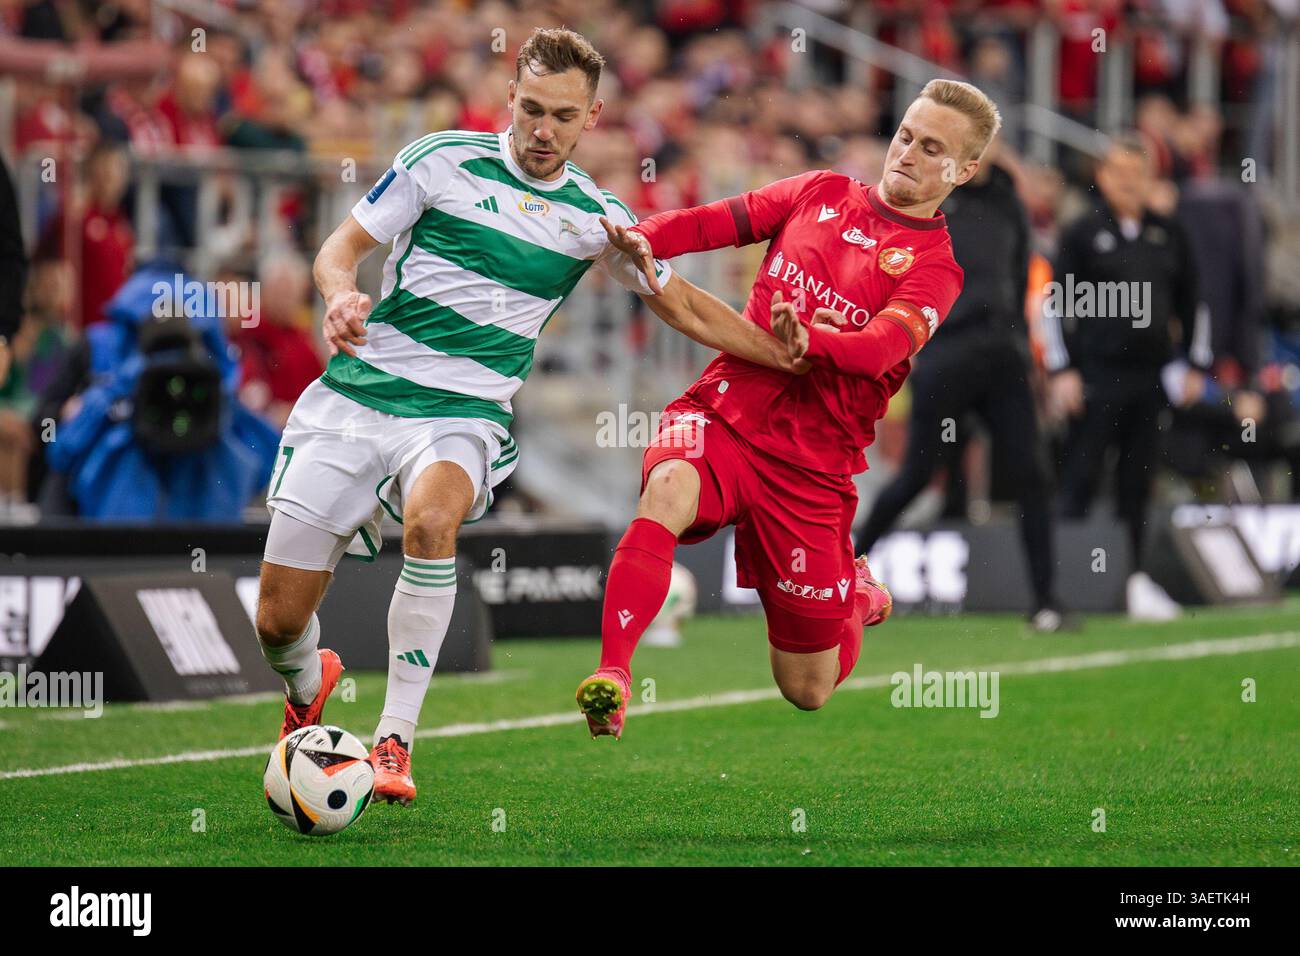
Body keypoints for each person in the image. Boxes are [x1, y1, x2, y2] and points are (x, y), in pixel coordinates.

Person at [254, 28, 803, 806]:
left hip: (465, 412)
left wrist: (779, 357)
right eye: (533, 109)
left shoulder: (595, 217)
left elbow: (679, 300)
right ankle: (309, 683)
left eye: (564, 116)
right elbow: (339, 249)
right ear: (510, 99)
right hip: (358, 396)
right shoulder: (439, 159)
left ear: (592, 118)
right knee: (277, 621)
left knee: (432, 523)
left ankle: (393, 740)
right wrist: (340, 294)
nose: (545, 130)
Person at [575, 79, 1000, 737]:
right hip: (727, 411)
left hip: (812, 468)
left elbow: (879, 348)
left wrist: (816, 341)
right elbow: (716, 220)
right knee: (667, 487)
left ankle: (855, 600)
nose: (907, 154)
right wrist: (644, 237)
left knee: (806, 688)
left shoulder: (936, 267)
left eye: (932, 148)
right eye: (905, 135)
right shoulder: (820, 193)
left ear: (964, 169)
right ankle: (613, 676)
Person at [854, 144, 1066, 632]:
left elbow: (1019, 280)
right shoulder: (931, 201)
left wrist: (1032, 356)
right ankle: (843, 573)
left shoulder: (1009, 200)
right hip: (947, 356)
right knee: (917, 476)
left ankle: (1046, 601)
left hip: (1004, 360)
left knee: (1032, 475)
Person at [1041, 134, 1203, 620]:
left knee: (1139, 481)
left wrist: (1191, 364)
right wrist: (1061, 369)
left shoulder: (1168, 232)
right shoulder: (1082, 233)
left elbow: (1193, 303)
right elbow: (1053, 306)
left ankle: (1130, 578)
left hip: (1150, 378)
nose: (1130, 183)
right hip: (1096, 375)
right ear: (1103, 176)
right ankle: (1055, 585)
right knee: (1080, 476)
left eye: (1139, 174)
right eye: (1121, 173)